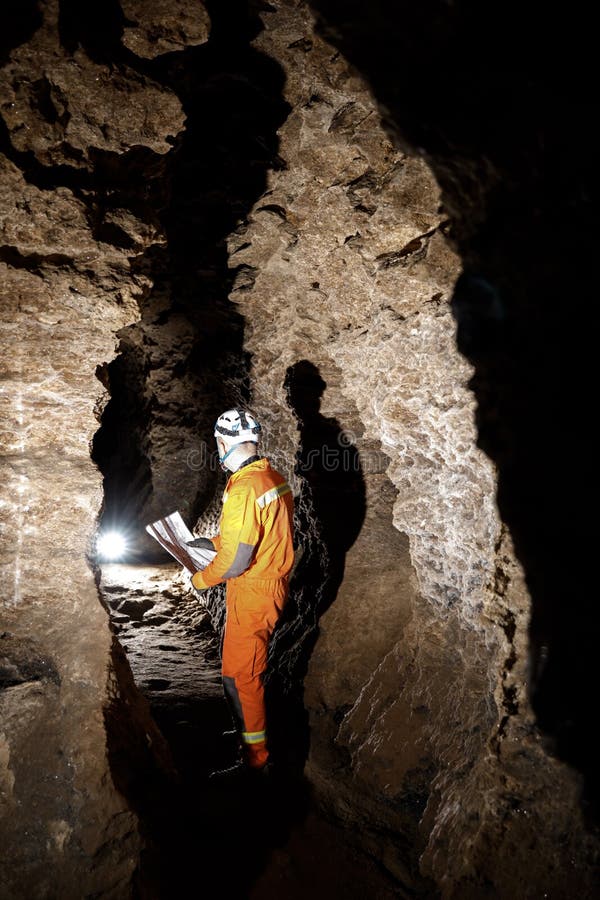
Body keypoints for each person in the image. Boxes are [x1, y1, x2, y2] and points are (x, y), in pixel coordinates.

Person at [190, 408, 294, 778]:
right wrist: (213, 542)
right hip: (266, 584)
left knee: (240, 677)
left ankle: (256, 759)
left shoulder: (244, 487)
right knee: (239, 673)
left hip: (252, 592)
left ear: (222, 443)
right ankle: (247, 738)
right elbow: (253, 536)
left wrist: (201, 579)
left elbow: (235, 561)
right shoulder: (270, 477)